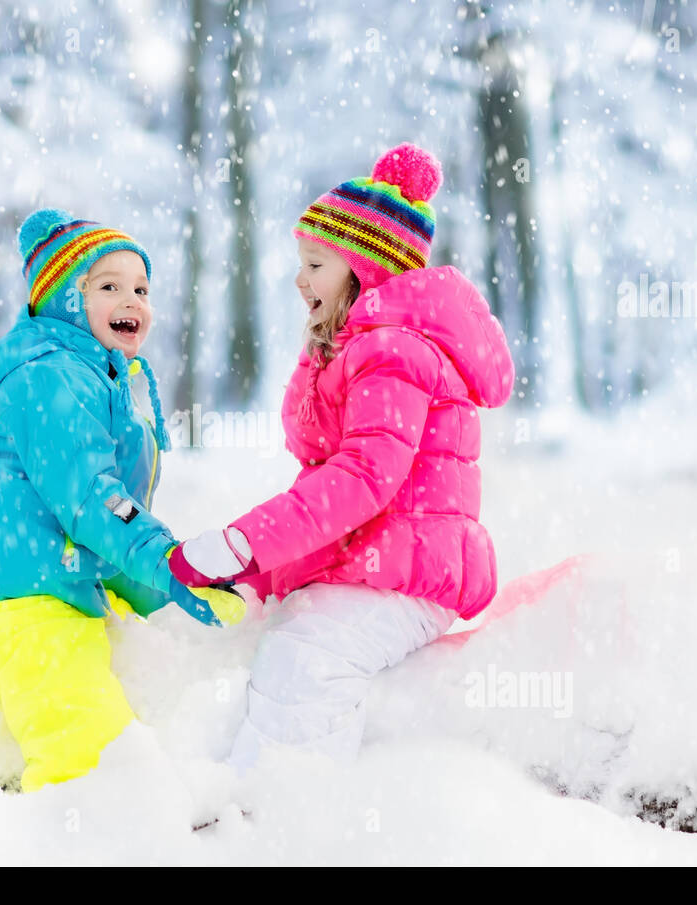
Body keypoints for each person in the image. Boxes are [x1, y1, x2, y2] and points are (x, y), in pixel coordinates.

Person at [170, 144, 516, 771]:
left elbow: (360, 482)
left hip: (414, 573)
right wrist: (260, 574)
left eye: (315, 263)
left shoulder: (394, 352)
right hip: (380, 562)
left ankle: (280, 818)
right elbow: (339, 499)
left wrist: (247, 542)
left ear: (363, 271)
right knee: (280, 631)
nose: (299, 279)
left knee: (308, 655)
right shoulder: (360, 348)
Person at [0, 208, 240, 792]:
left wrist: (170, 584)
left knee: (176, 628)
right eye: (108, 287)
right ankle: (83, 830)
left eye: (140, 288)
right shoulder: (49, 379)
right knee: (87, 746)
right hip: (14, 586)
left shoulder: (95, 376)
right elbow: (92, 501)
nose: (131, 300)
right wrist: (163, 558)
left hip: (58, 568)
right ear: (67, 303)